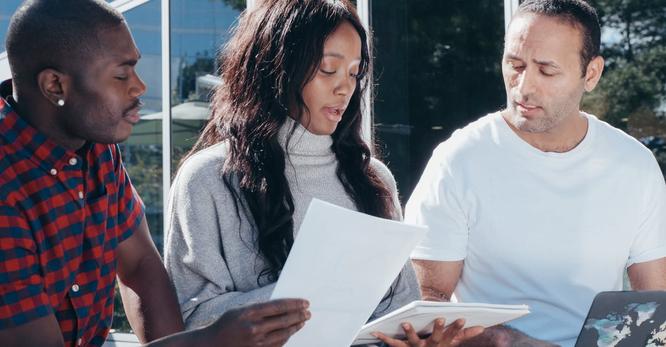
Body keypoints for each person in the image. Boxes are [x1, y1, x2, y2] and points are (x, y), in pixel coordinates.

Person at [163, 1, 482, 346]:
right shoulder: (208, 178)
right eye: (329, 70)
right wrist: (304, 301)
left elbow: (398, 308)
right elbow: (192, 320)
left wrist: (416, 339)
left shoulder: (374, 179)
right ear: (276, 69)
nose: (345, 88)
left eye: (354, 73)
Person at [0, 1, 310, 346]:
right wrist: (209, 342)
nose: (140, 87)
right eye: (121, 75)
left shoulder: (96, 146)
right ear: (55, 86)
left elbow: (140, 265)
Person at [404, 0, 666, 346]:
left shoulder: (634, 165)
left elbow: (655, 306)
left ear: (591, 74)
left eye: (547, 71)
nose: (524, 87)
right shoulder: (459, 161)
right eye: (515, 65)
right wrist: (505, 339)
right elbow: (425, 308)